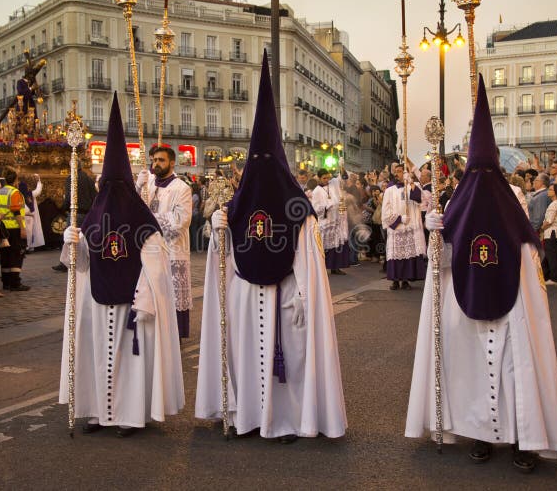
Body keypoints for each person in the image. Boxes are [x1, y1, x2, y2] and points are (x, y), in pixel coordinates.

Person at [406, 75, 557, 472]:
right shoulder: (456, 207)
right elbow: (440, 265)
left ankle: (523, 440)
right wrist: (435, 232)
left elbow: (530, 259)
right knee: (475, 371)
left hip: (512, 306)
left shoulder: (511, 206)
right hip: (467, 305)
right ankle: (480, 434)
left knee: (516, 371)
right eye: (473, 172)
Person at [196, 53, 347, 442]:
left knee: (291, 363)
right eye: (255, 163)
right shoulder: (236, 206)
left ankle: (289, 420)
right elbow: (223, 258)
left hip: (286, 296)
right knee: (247, 359)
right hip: (245, 297)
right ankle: (246, 415)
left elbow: (310, 261)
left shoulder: (299, 208)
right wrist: (217, 232)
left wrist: (303, 297)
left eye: (268, 162)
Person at [59, 93, 184, 436]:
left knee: (130, 360)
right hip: (97, 302)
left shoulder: (142, 219)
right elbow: (80, 264)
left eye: (118, 185)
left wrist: (146, 298)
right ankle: (98, 412)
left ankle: (130, 415)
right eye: (107, 185)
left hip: (132, 302)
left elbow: (155, 264)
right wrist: (72, 241)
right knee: (98, 356)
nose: (112, 191)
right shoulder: (93, 218)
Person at [136, 146, 193, 339]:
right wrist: (137, 187)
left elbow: (180, 221)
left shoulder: (181, 188)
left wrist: (149, 218)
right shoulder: (149, 184)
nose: (156, 164)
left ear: (171, 162)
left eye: (161, 160)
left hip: (173, 249)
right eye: (154, 160)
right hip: (149, 250)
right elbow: (133, 209)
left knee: (172, 294)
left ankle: (174, 334)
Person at [382, 163, 427, 290]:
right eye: (396, 171)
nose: (397, 173)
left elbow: (419, 199)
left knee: (408, 255)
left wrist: (411, 182)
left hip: (410, 226)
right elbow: (386, 210)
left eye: (400, 171)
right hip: (397, 227)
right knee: (396, 254)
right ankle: (395, 280)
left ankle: (406, 280)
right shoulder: (390, 190)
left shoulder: (414, 186)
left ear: (406, 172)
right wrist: (399, 219)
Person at [311, 166, 350, 275]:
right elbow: (315, 208)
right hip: (325, 221)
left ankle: (335, 267)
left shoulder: (333, 183)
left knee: (337, 245)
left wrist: (342, 166)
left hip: (336, 219)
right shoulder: (316, 191)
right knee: (325, 246)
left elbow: (343, 178)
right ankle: (322, 268)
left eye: (328, 177)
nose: (327, 180)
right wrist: (327, 206)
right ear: (319, 178)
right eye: (324, 178)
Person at [0, 167, 29, 291]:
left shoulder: (0, 192)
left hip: (3, 228)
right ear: (15, 180)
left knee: (5, 255)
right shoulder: (14, 192)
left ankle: (6, 282)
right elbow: (16, 212)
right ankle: (15, 282)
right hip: (14, 228)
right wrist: (23, 229)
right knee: (16, 255)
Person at [542, 183, 557, 285]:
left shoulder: (553, 204)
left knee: (552, 256)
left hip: (551, 232)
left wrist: (542, 228)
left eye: (551, 189)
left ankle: (555, 278)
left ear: (555, 192)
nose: (548, 191)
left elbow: (549, 221)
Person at [22, 174, 45, 252]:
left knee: (28, 232)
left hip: (25, 216)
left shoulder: (20, 194)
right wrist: (39, 181)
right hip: (28, 215)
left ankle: (28, 246)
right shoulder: (29, 194)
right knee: (29, 232)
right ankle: (28, 246)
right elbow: (38, 191)